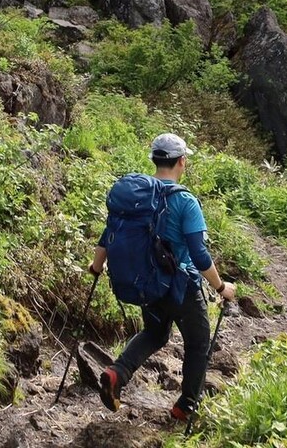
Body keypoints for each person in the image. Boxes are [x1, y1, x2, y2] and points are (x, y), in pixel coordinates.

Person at [87, 132, 235, 422]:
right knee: (198, 343)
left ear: (154, 160)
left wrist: (96, 266)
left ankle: (117, 373)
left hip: (149, 285)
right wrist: (221, 287)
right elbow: (199, 255)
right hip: (181, 289)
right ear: (182, 162)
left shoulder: (138, 197)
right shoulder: (185, 201)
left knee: (155, 333)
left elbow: (109, 234)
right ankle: (186, 406)